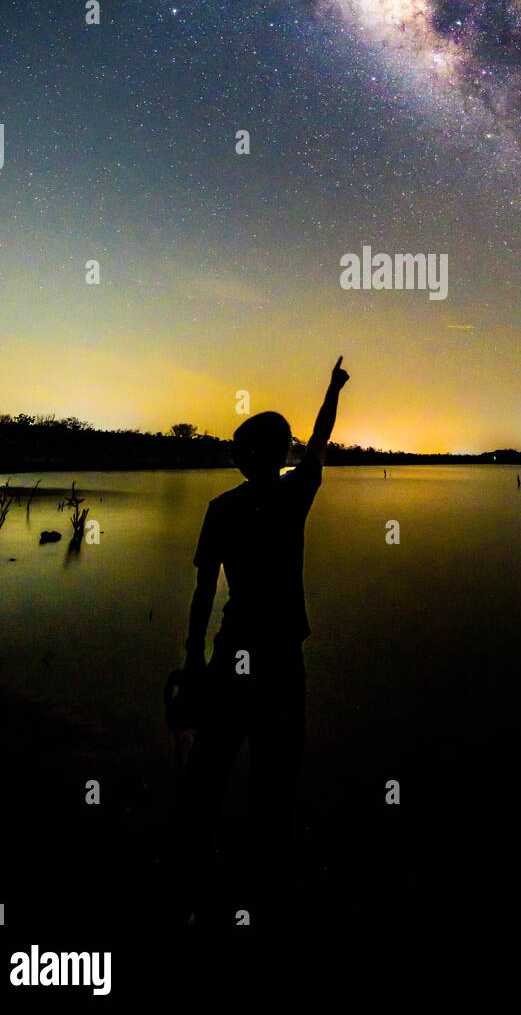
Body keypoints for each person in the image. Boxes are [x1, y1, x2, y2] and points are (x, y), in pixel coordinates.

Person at [180, 356, 349, 922]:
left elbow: (205, 592)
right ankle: (266, 878)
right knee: (276, 769)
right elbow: (321, 440)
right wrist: (332, 390)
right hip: (278, 654)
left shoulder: (222, 508)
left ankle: (203, 871)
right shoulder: (292, 495)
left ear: (241, 455)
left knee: (213, 763)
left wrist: (193, 659)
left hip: (234, 651)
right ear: (280, 455)